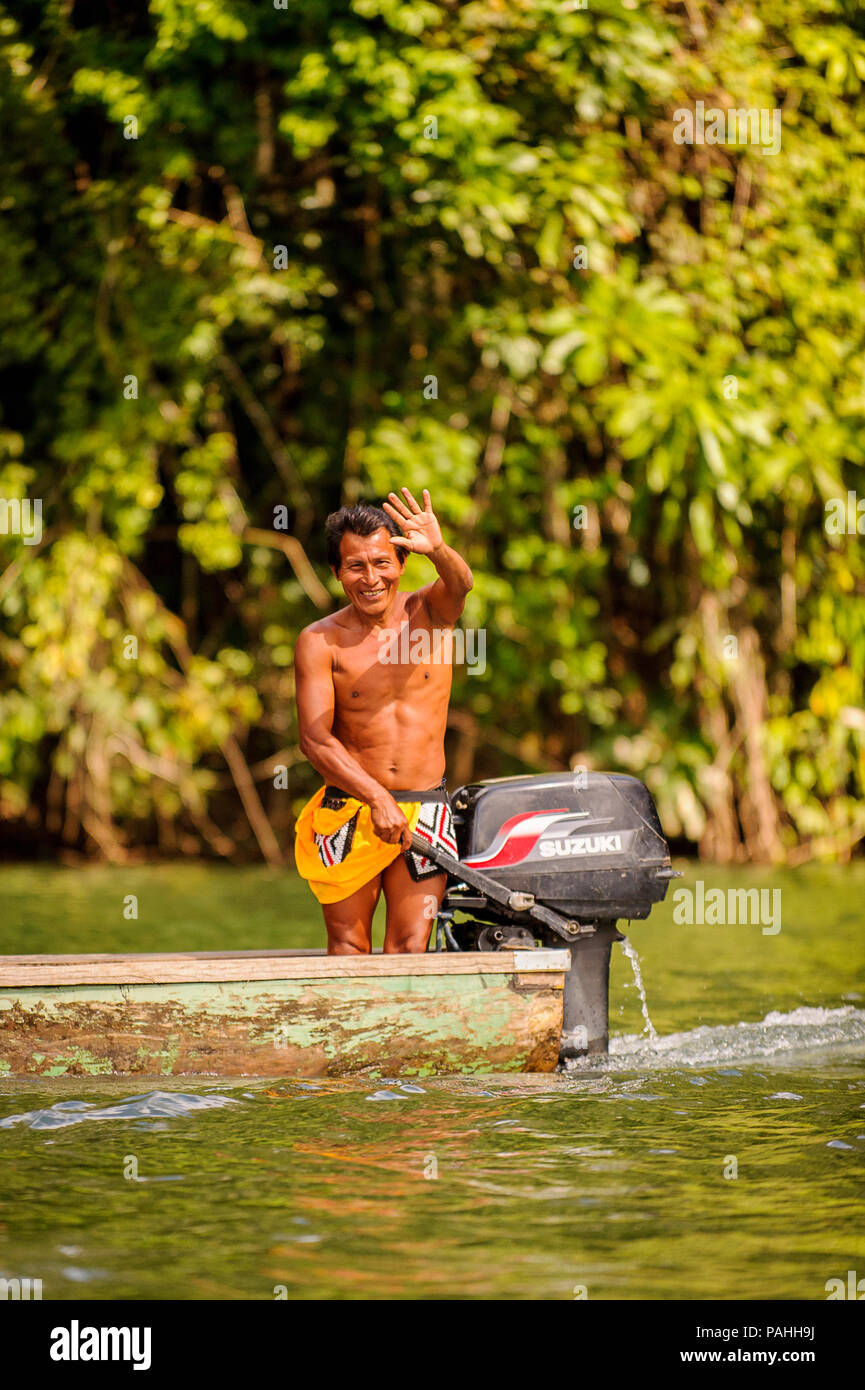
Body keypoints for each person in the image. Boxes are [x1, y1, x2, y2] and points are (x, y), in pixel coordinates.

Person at [293, 487, 473, 953]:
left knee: (412, 946)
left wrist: (438, 549)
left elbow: (462, 584)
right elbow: (314, 739)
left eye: (382, 563)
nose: (371, 577)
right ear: (336, 573)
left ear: (401, 563)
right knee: (349, 945)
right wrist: (375, 797)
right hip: (350, 808)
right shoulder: (320, 642)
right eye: (356, 566)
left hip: (425, 807)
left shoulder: (430, 612)